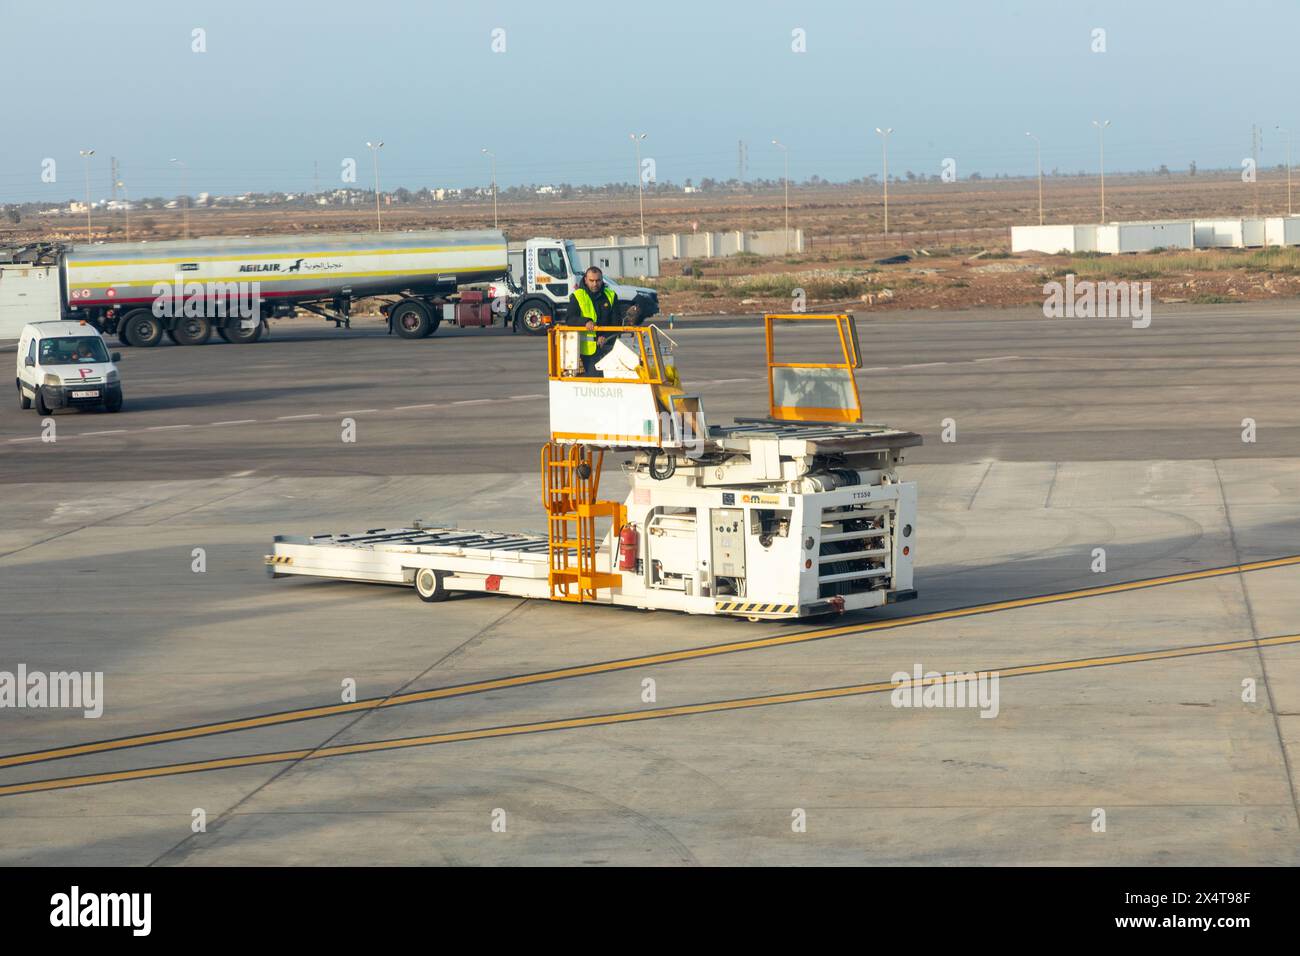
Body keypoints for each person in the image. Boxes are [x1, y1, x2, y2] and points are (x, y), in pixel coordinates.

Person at [565, 266, 620, 377]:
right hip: (587, 350)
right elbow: (570, 319)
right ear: (585, 279)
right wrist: (585, 322)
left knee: (612, 377)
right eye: (592, 281)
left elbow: (616, 323)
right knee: (595, 378)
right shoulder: (577, 296)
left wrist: (605, 336)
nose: (595, 284)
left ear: (602, 280)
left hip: (608, 346)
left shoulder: (611, 295)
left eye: (598, 280)